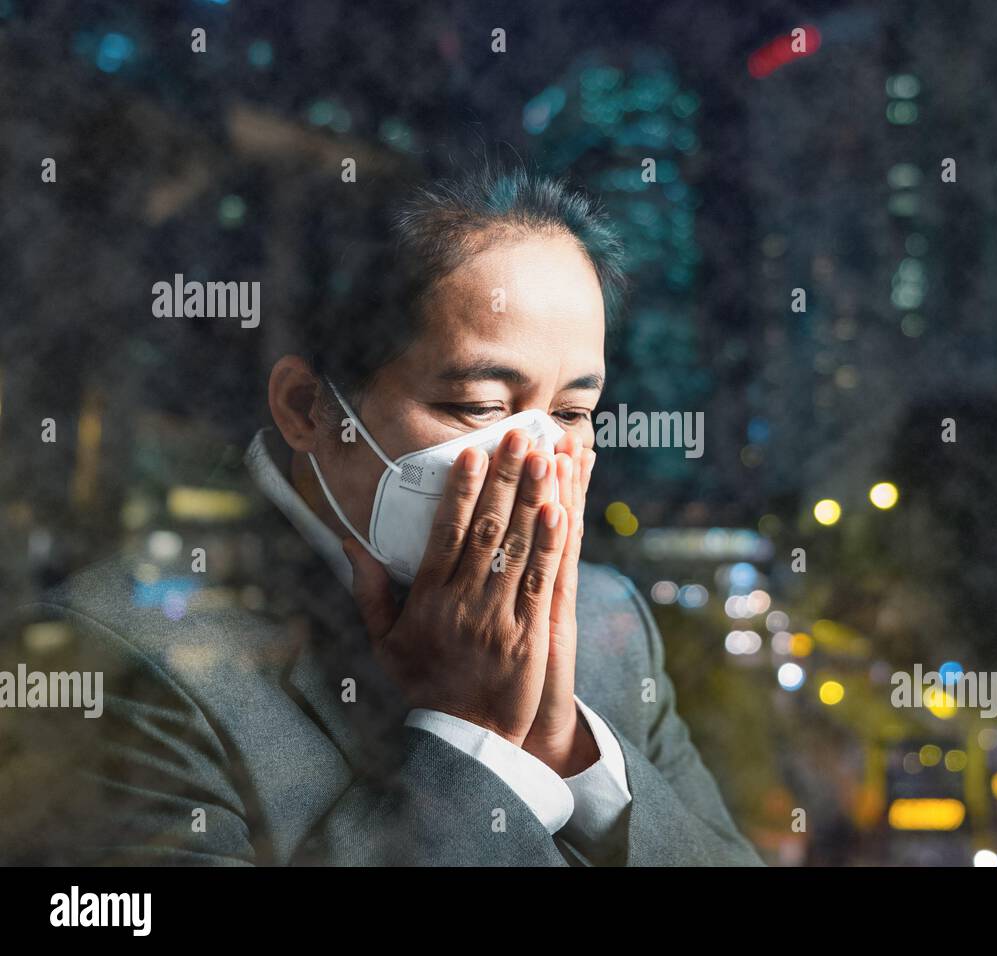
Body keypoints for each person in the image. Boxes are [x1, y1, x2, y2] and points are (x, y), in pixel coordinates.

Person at [0, 163, 764, 866]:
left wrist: (564, 751)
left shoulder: (606, 625)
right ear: (307, 407)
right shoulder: (114, 663)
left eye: (570, 412)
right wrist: (473, 740)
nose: (532, 457)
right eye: (480, 406)